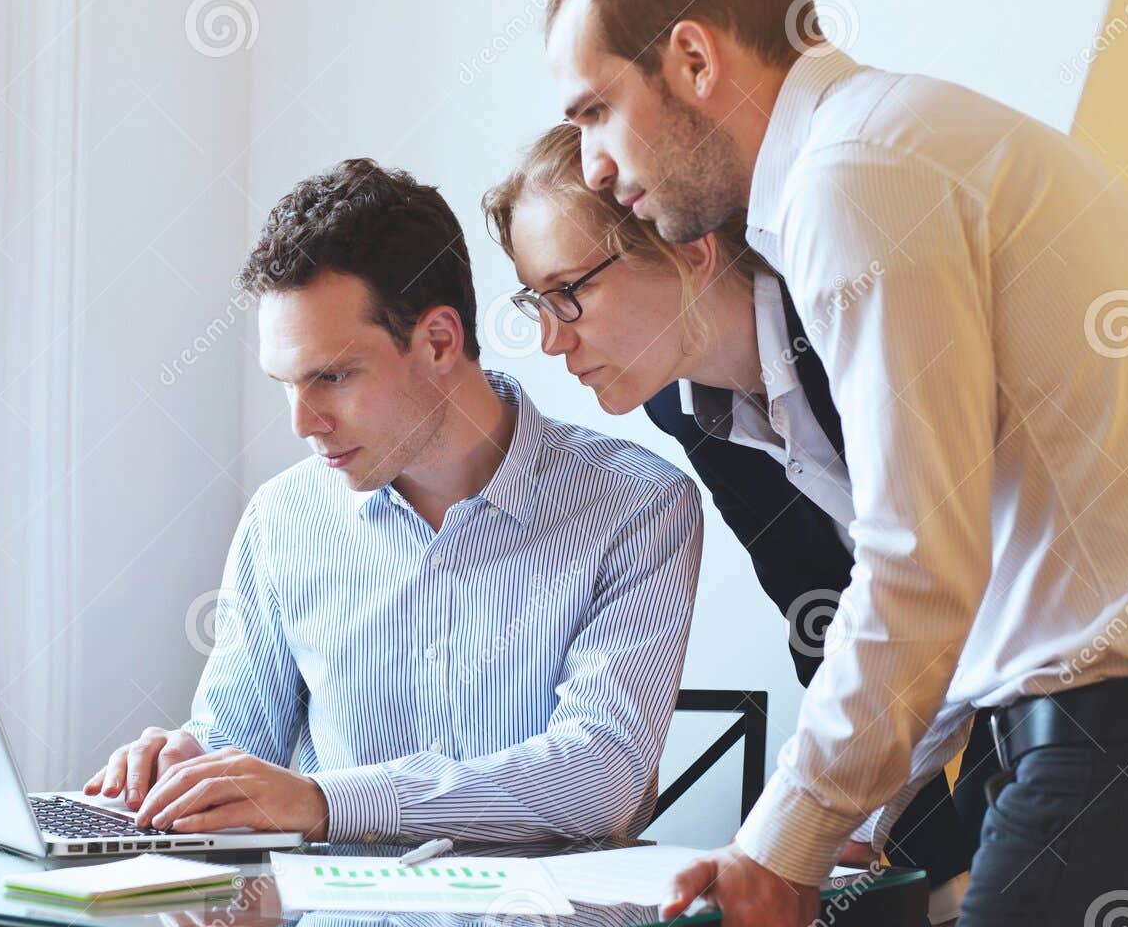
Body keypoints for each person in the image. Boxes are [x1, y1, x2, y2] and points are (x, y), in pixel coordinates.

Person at [544, 0, 1128, 927]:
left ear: (694, 59)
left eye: (597, 109)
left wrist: (780, 845)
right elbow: (957, 593)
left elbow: (917, 566)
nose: (596, 167)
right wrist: (823, 832)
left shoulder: (853, 178)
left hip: (1119, 738)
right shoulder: (893, 141)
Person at [482, 122, 996, 927]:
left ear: (690, 247)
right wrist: (885, 856)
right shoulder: (683, 403)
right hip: (928, 747)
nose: (551, 338)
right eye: (535, 302)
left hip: (1080, 684)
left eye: (567, 291)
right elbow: (826, 623)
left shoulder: (847, 310)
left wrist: (960, 894)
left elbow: (949, 596)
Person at [83, 158, 704, 848]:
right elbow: (234, 740)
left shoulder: (637, 506)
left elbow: (599, 777)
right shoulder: (283, 518)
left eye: (332, 376)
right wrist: (179, 765)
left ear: (439, 341)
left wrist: (328, 802)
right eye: (286, 383)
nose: (303, 422)